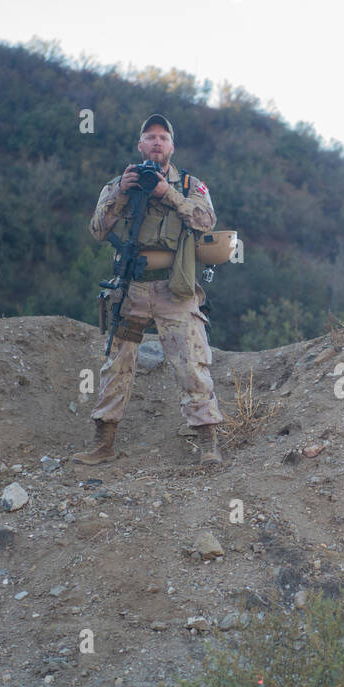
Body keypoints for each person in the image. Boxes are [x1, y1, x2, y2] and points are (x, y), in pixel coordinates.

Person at [71, 113, 224, 466]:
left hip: (176, 288)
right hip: (133, 288)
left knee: (191, 361)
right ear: (140, 145)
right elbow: (97, 229)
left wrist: (167, 194)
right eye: (150, 137)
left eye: (163, 137)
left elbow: (206, 221)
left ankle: (209, 444)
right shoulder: (120, 184)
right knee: (118, 363)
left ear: (172, 147)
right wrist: (123, 193)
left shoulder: (189, 185)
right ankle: (104, 442)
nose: (157, 142)